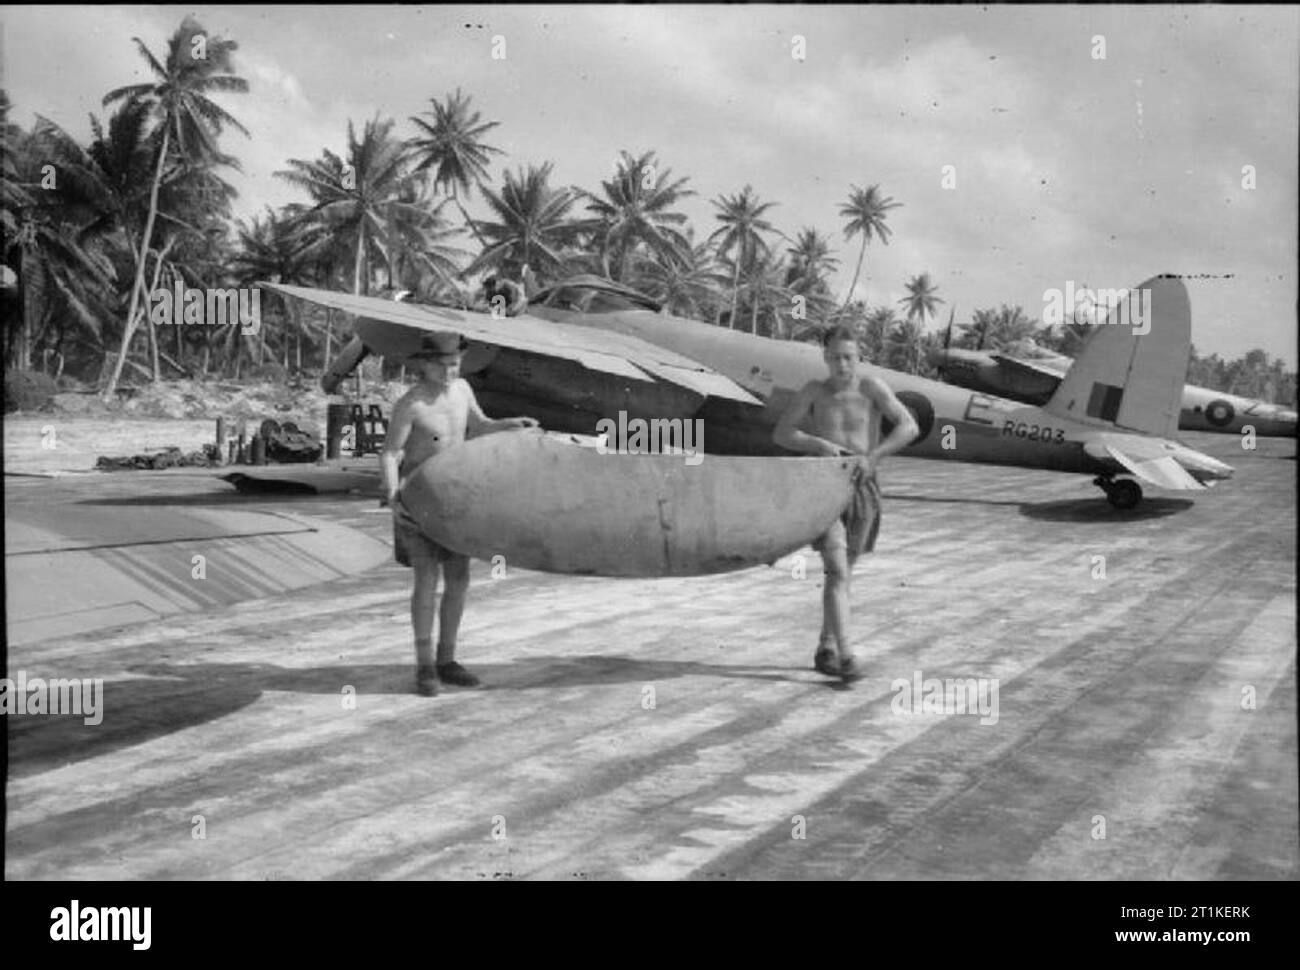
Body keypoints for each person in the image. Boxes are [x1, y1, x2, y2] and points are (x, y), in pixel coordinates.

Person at [382, 332, 540, 696]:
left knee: (458, 581)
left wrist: (510, 423)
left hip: (456, 501)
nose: (449, 370)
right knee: (426, 581)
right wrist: (392, 496)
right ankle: (424, 668)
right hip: (418, 500)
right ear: (423, 363)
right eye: (441, 364)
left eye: (455, 363)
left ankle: (446, 660)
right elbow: (391, 453)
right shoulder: (412, 404)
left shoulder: (463, 390)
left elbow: (479, 425)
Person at [773, 325, 919, 683]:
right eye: (835, 357)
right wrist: (819, 445)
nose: (842, 364)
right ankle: (848, 656)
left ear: (859, 357)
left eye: (849, 357)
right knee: (837, 569)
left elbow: (908, 426)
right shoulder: (814, 391)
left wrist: (875, 456)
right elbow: (782, 433)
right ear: (825, 357)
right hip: (826, 486)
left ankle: (826, 646)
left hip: (862, 485)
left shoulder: (872, 388)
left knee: (843, 573)